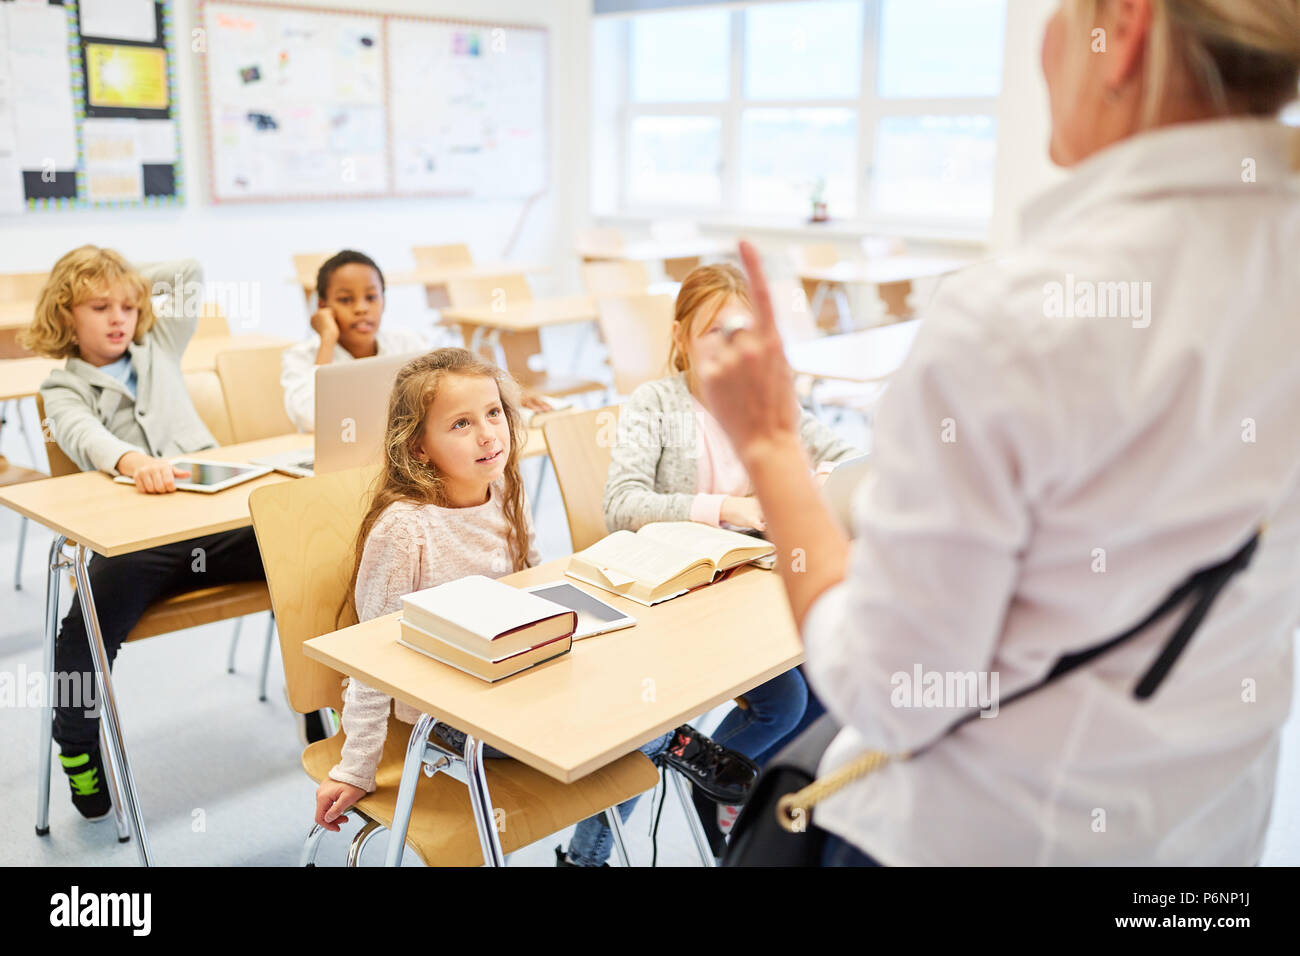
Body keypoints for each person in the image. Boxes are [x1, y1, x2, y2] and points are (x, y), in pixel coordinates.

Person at [696, 0, 1300, 865]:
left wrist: (768, 445)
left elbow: (894, 692)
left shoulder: (1015, 318)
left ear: (1124, 29)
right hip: (1207, 839)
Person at [314, 349, 755, 847]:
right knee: (628, 731)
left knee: (634, 684)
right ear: (418, 447)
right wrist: (356, 768)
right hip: (451, 713)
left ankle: (597, 840)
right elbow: (372, 662)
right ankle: (672, 741)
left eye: (493, 413)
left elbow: (531, 586)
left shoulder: (502, 489)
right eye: (461, 424)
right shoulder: (404, 530)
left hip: (519, 672)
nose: (488, 434)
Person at [603, 263, 860, 852]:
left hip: (754, 581)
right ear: (679, 337)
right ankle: (711, 778)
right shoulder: (656, 403)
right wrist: (729, 507)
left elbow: (843, 453)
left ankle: (733, 787)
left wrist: (823, 475)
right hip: (684, 589)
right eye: (710, 331)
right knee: (785, 701)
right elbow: (621, 504)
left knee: (828, 678)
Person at [20, 247, 266, 821]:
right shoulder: (62, 387)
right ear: (64, 314)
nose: (118, 319)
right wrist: (133, 462)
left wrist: (122, 280)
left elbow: (188, 272)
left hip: (213, 524)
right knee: (81, 632)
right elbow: (84, 437)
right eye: (99, 307)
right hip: (137, 545)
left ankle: (324, 704)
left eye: (128, 306)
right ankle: (77, 747)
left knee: (308, 555)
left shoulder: (159, 345)